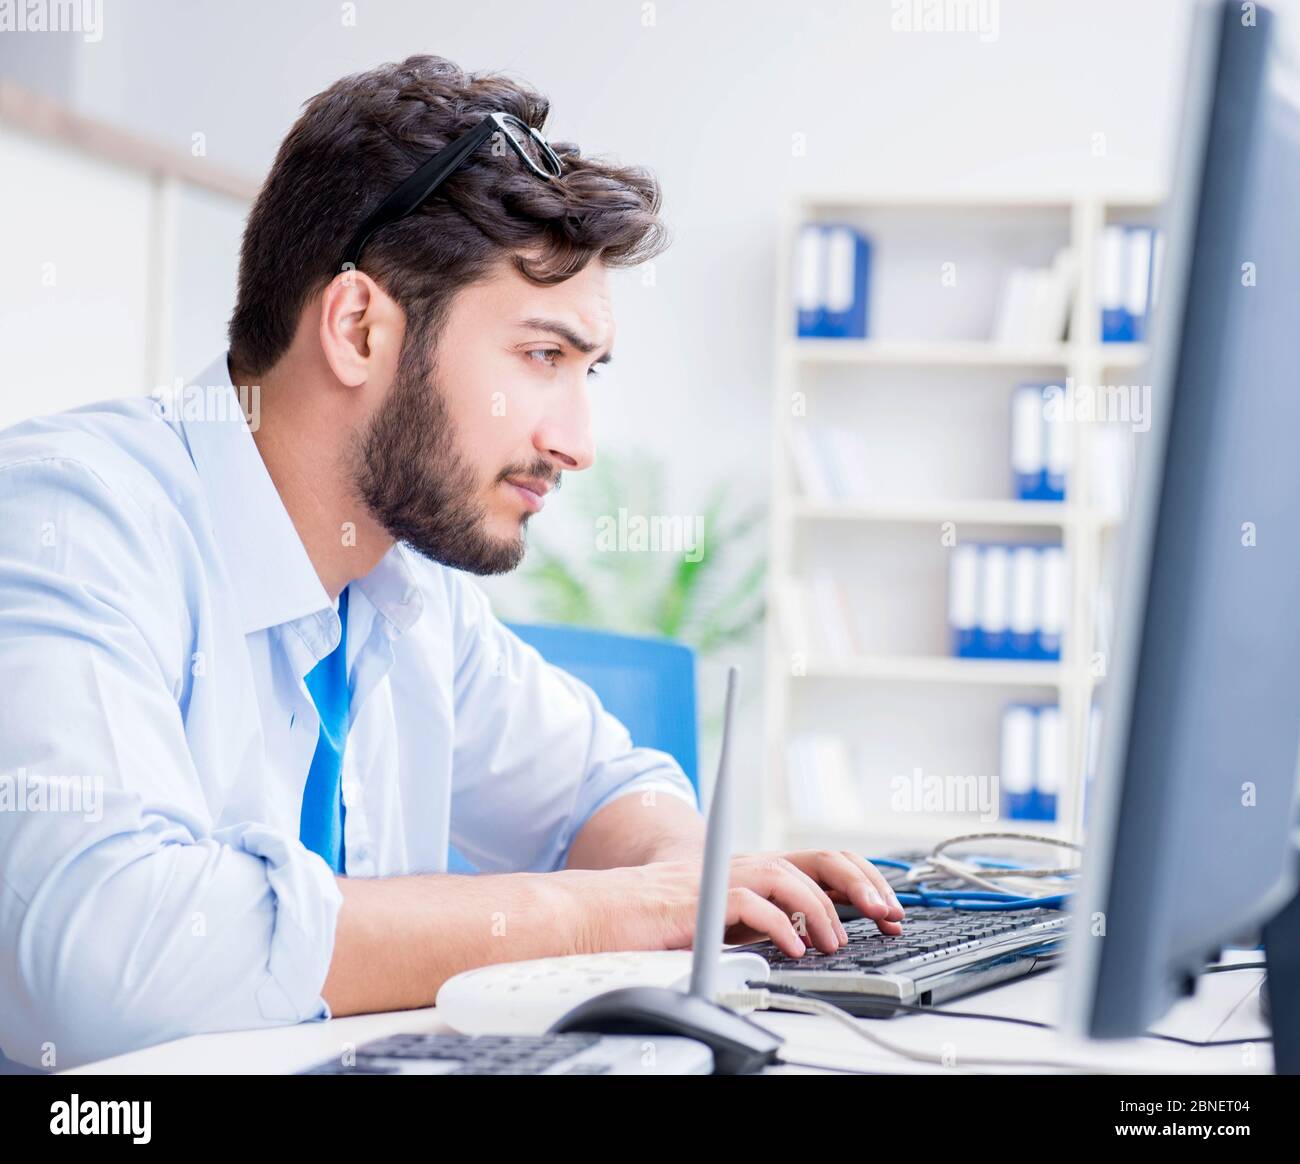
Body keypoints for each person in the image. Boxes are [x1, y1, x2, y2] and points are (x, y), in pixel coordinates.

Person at [0, 54, 903, 1071]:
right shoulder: (71, 520)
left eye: (587, 370)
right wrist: (604, 912)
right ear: (358, 327)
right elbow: (113, 958)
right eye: (541, 357)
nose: (578, 441)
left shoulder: (402, 586)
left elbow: (604, 790)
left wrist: (688, 885)